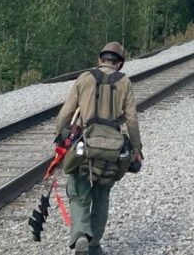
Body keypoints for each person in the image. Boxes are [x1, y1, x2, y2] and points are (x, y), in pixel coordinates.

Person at [54, 41, 143, 253]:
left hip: (85, 143)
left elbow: (66, 113)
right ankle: (94, 246)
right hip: (112, 148)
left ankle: (81, 235)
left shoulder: (84, 78)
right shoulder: (125, 83)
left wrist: (59, 136)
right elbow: (131, 121)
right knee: (102, 195)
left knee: (78, 191)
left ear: (99, 59)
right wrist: (136, 149)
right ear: (119, 63)